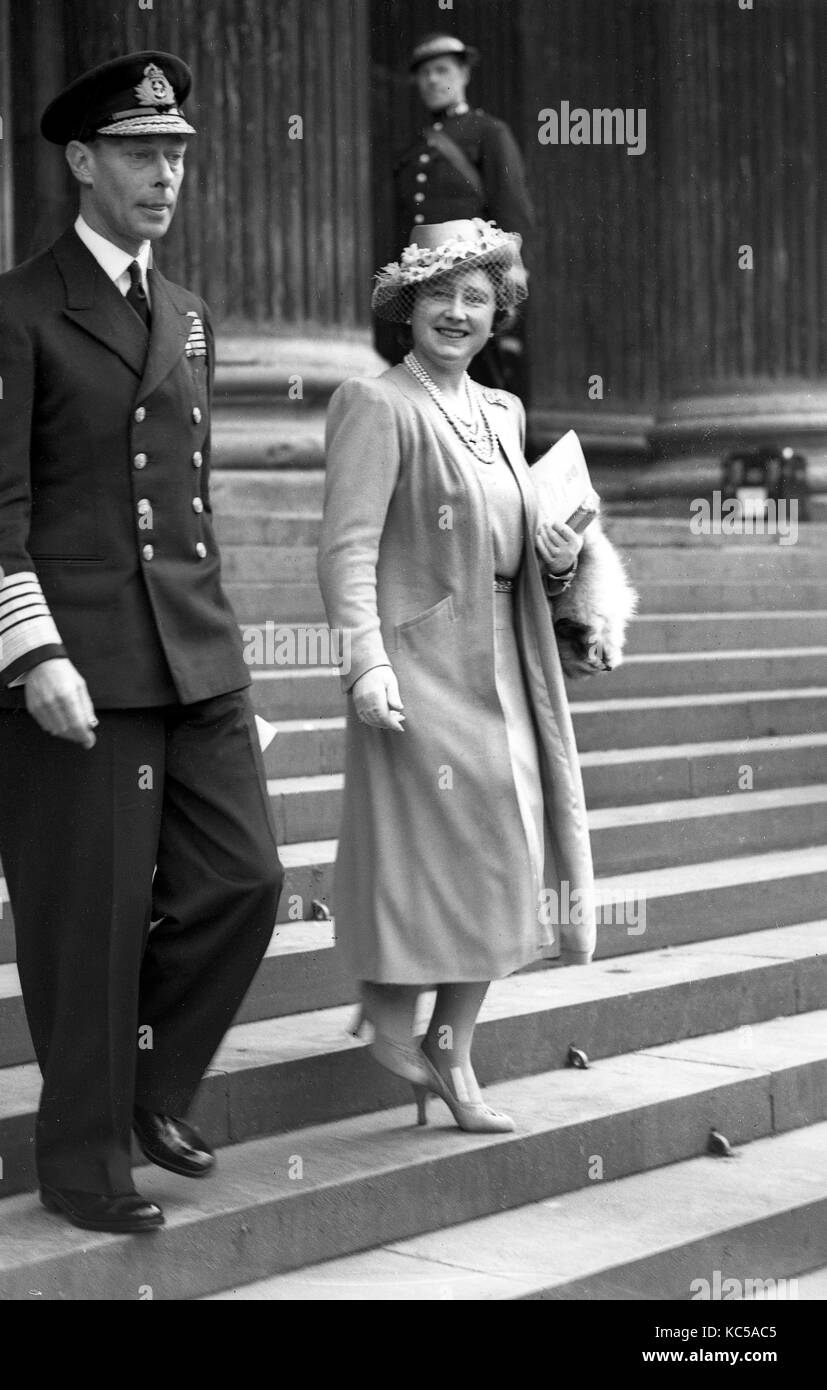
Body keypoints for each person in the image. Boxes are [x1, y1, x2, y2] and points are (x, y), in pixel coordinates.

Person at [0, 51, 283, 1234]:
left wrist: (224, 656)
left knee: (247, 878)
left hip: (194, 654)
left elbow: (188, 497)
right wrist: (32, 653)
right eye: (141, 152)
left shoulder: (189, 316)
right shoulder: (8, 310)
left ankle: (146, 1083)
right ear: (82, 161)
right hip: (77, 658)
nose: (164, 173)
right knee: (85, 918)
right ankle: (83, 1163)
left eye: (177, 152)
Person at [317, 219, 594, 1135]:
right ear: (407, 307)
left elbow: (513, 534)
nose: (457, 312)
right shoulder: (376, 402)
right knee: (437, 849)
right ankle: (399, 1017)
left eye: (477, 298)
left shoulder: (504, 412)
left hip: (509, 656)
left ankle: (450, 1039)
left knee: (506, 850)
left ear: (495, 318)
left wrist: (556, 562)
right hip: (422, 665)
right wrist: (365, 661)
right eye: (440, 294)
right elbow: (348, 548)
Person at [388, 32, 535, 401]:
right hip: (423, 284)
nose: (433, 80)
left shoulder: (488, 132)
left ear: (464, 74)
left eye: (442, 70)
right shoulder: (415, 145)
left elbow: (512, 208)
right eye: (425, 74)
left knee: (485, 382)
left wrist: (511, 280)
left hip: (473, 281)